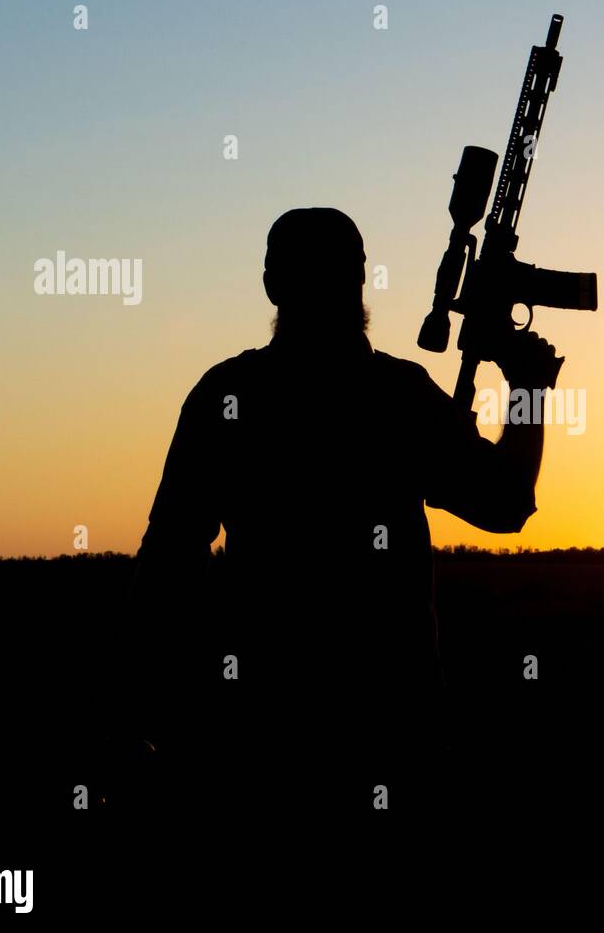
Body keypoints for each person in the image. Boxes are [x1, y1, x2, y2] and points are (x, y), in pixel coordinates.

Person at [134, 207, 560, 700]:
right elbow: (506, 504)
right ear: (360, 279)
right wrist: (528, 387)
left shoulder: (225, 394)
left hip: (258, 714)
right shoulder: (399, 395)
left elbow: (167, 564)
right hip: (388, 715)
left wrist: (145, 699)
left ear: (272, 287)